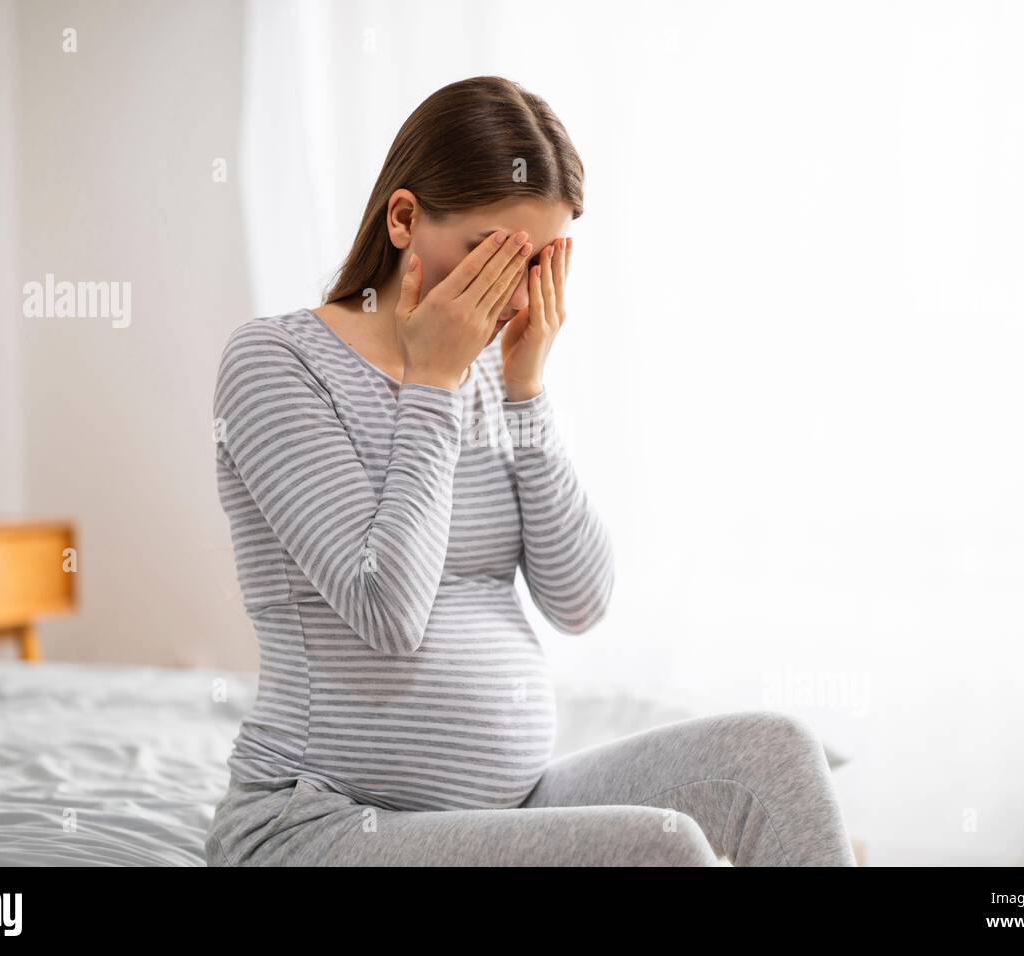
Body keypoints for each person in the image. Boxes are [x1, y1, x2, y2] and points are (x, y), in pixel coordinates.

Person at [206, 75, 856, 866]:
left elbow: (580, 600)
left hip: (504, 805)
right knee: (663, 848)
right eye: (490, 256)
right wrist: (433, 384)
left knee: (779, 756)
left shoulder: (486, 374)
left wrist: (525, 392)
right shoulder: (275, 363)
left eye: (538, 262)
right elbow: (388, 609)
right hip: (323, 823)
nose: (513, 295)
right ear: (405, 218)